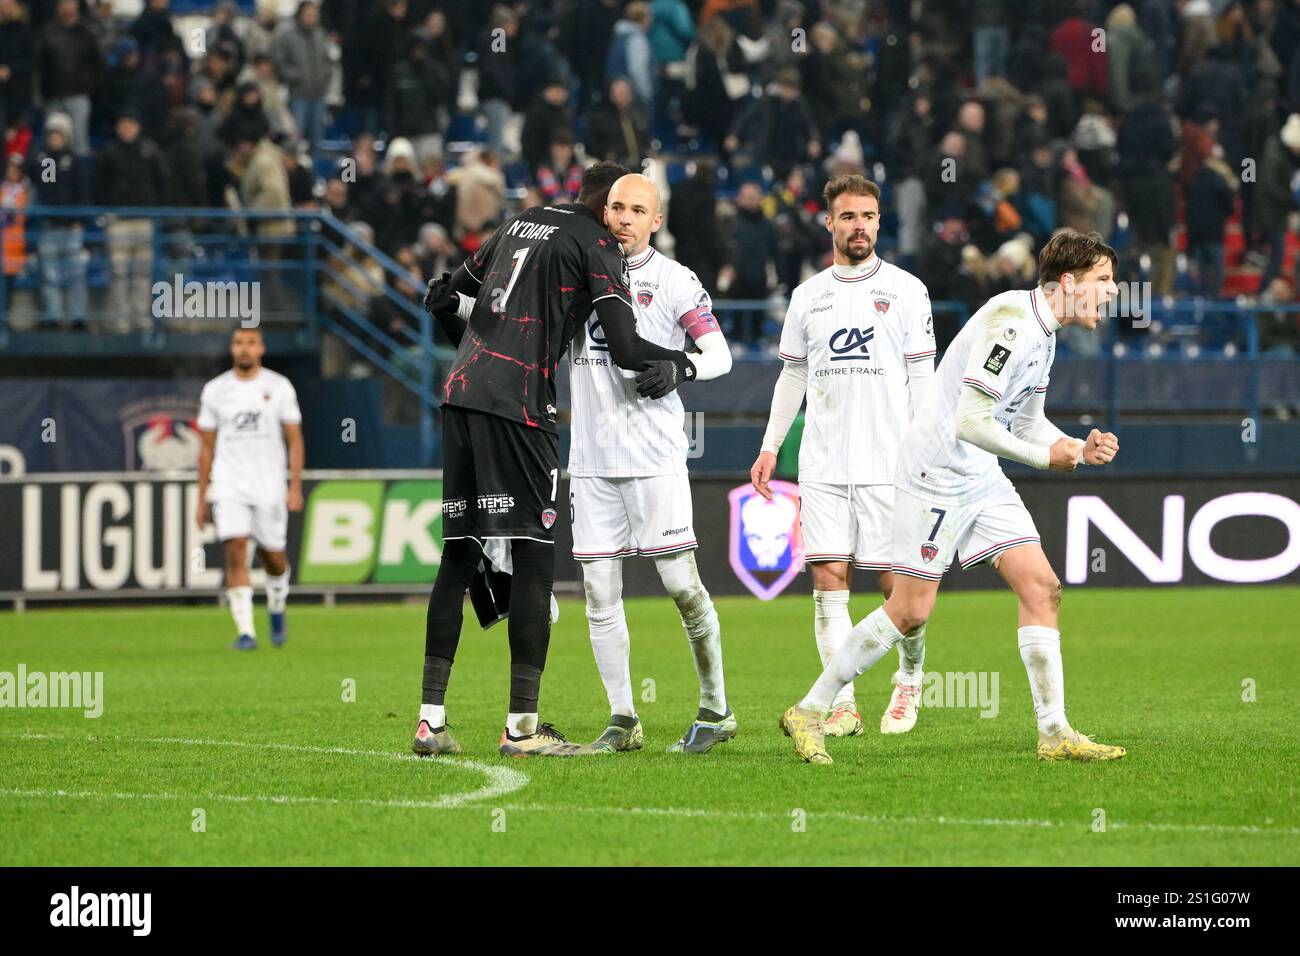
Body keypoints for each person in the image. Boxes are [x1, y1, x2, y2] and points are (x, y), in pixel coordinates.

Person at [780, 230, 1126, 765]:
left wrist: (1076, 447)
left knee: (1042, 587)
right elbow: (969, 421)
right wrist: (1043, 459)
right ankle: (811, 708)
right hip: (935, 474)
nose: (1113, 292)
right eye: (1104, 280)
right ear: (1068, 282)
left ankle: (1054, 731)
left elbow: (1027, 421)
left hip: (979, 475)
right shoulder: (1011, 326)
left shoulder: (1044, 332)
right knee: (910, 611)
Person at [413, 161, 702, 758]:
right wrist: (679, 362)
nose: (622, 222)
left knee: (458, 555)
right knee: (534, 559)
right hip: (519, 407)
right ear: (605, 207)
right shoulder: (595, 243)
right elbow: (624, 348)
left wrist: (445, 307)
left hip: (461, 392)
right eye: (618, 209)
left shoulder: (516, 224)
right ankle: (522, 730)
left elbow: (452, 303)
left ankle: (431, 723)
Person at [752, 174, 935, 739]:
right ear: (829, 222)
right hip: (825, 464)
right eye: (849, 217)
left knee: (897, 592)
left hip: (889, 465)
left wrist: (928, 450)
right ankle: (844, 704)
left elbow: (922, 376)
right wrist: (769, 445)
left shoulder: (907, 289)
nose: (860, 227)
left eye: (870, 217)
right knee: (829, 581)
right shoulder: (809, 295)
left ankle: (909, 680)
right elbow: (794, 374)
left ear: (881, 222)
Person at [569, 172, 735, 754]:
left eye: (638, 210)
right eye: (616, 207)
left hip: (654, 458)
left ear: (655, 221)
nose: (624, 218)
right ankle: (622, 718)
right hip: (590, 462)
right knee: (597, 589)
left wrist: (681, 368)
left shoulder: (674, 281)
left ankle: (716, 707)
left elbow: (720, 355)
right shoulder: (576, 273)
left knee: (681, 585)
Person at [195, 327, 305, 651]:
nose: (245, 349)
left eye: (251, 343)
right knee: (235, 550)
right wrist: (201, 496)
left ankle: (276, 605)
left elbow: (294, 438)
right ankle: (246, 632)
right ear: (232, 348)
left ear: (261, 349)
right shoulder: (215, 390)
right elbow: (206, 447)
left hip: (269, 486)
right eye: (239, 343)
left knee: (274, 559)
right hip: (229, 484)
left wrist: (294, 485)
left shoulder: (278, 386)